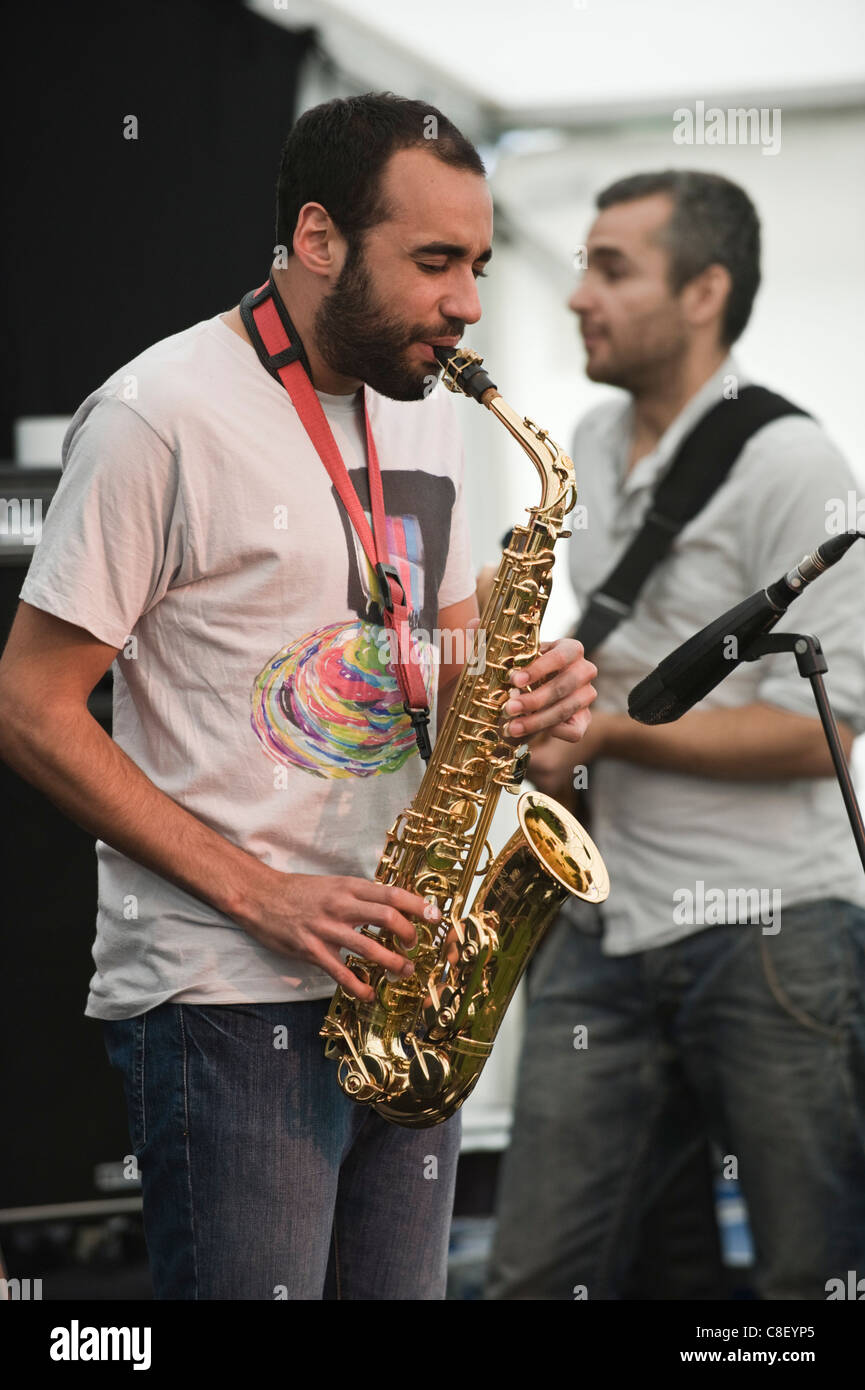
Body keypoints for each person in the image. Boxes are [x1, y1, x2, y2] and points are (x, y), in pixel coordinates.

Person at [0, 94, 598, 1301]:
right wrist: (263, 894)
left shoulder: (426, 409)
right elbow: (29, 704)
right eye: (434, 262)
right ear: (318, 239)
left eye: (476, 264)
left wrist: (522, 678)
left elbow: (422, 635)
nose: (467, 302)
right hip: (228, 995)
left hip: (407, 976)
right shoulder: (157, 415)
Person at [486, 169, 865, 1301]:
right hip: (603, 923)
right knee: (536, 1278)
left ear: (704, 291)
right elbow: (612, 644)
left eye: (611, 268)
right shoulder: (593, 440)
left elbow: (825, 730)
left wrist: (607, 729)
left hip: (771, 930)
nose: (574, 297)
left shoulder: (796, 464)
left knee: (808, 1287)